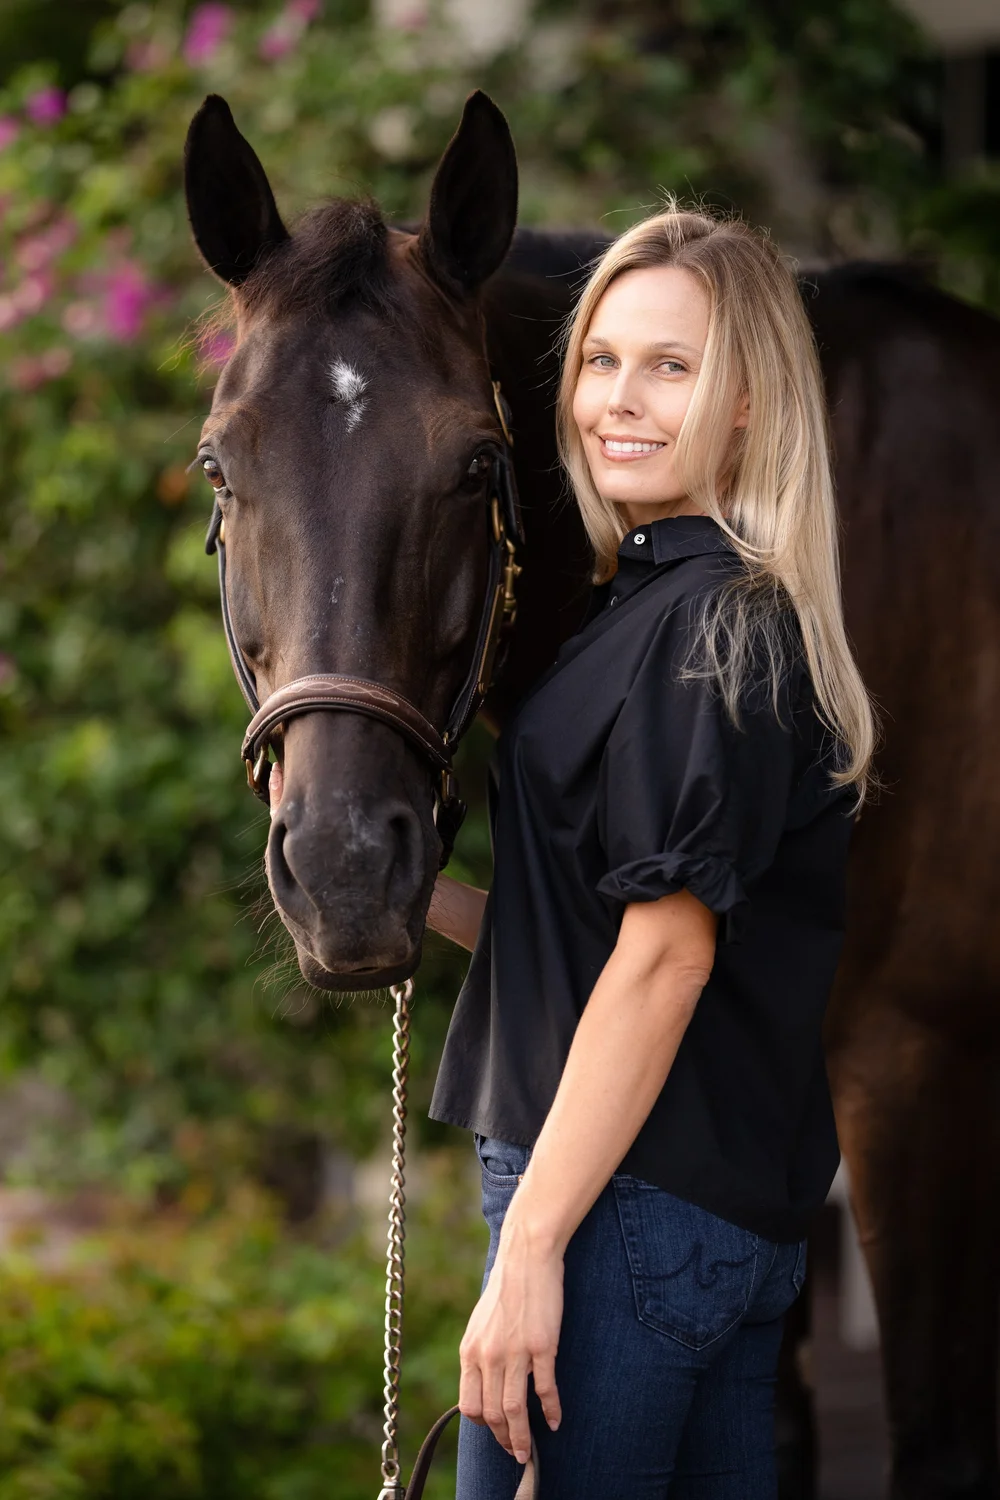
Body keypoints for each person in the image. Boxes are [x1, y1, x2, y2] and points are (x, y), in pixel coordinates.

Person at [426, 206, 877, 1500]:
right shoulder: (672, 601)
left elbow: (666, 958)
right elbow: (591, 923)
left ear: (747, 402)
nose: (619, 399)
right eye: (601, 359)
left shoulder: (709, 631)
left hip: (620, 1203)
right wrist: (430, 907)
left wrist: (532, 1248)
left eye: (672, 366)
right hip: (678, 1212)